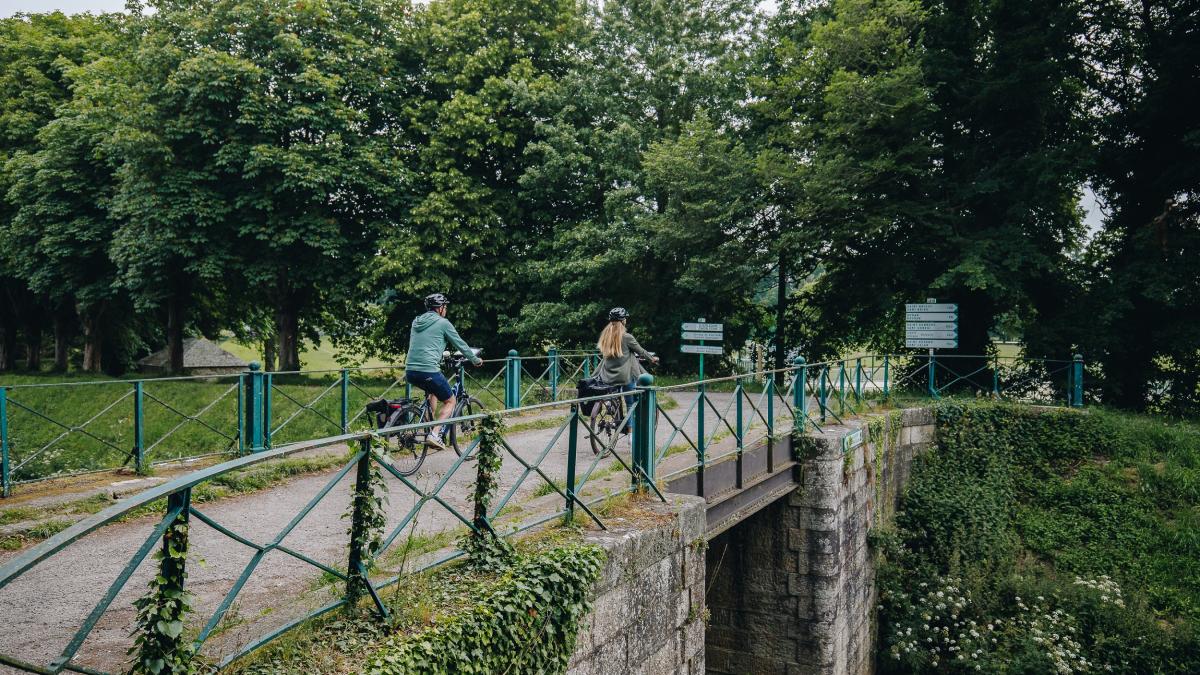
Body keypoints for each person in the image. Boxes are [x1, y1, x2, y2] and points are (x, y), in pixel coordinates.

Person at [404, 293, 482, 449]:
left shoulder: (416, 322)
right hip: (428, 370)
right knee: (450, 400)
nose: (445, 310)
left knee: (432, 392)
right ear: (439, 309)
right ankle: (435, 434)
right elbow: (460, 344)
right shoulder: (443, 323)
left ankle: (428, 426)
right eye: (445, 307)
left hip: (410, 371)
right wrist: (475, 360)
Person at [597, 307, 659, 433]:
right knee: (630, 403)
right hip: (625, 376)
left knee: (615, 396)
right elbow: (640, 351)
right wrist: (652, 359)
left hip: (608, 376)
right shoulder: (627, 337)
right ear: (623, 321)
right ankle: (631, 434)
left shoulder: (605, 336)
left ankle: (610, 403)